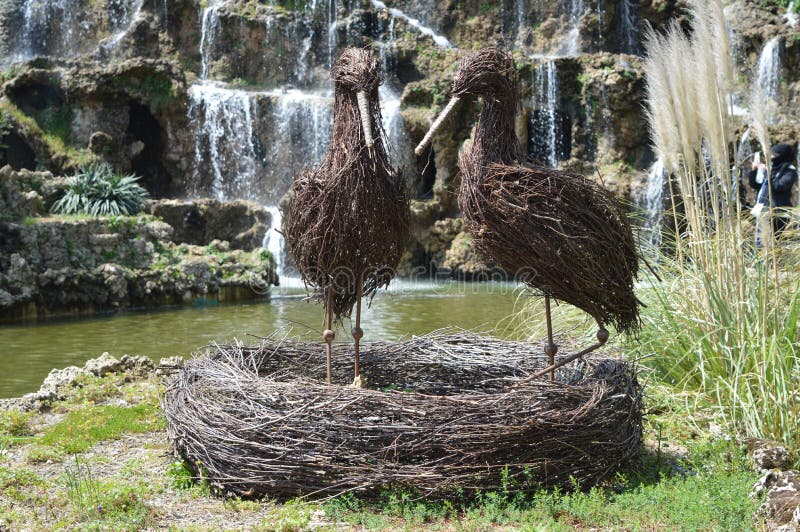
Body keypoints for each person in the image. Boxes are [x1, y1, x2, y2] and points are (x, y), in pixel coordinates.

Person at [748, 143, 798, 246]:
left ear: (782, 155)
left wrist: (767, 172)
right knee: (760, 243)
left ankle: (774, 262)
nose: (771, 157)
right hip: (764, 209)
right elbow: (756, 185)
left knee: (773, 243)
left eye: (774, 155)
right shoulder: (772, 168)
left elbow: (778, 186)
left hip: (779, 212)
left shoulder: (790, 170)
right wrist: (753, 171)